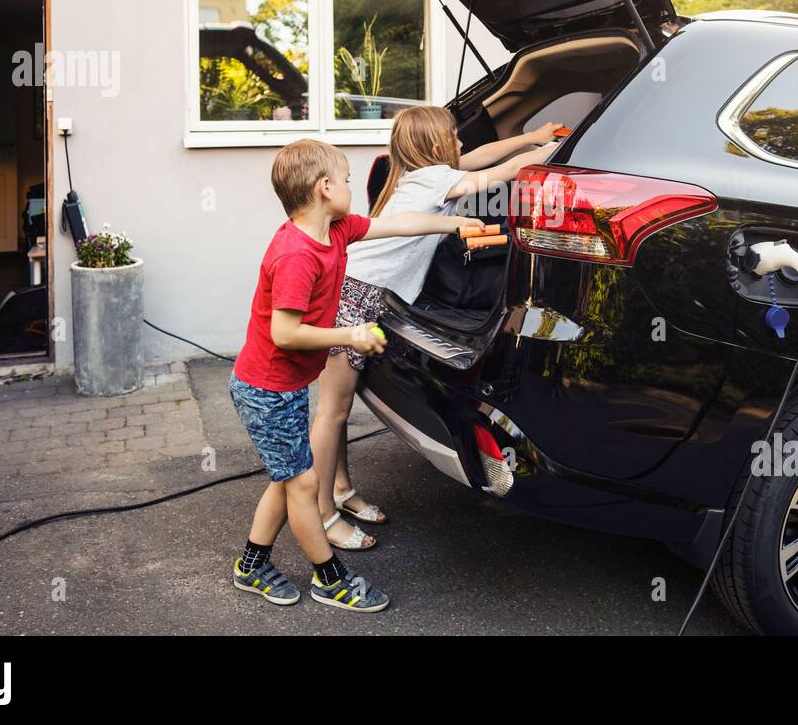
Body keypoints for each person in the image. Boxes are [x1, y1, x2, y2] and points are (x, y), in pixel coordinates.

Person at [228, 137, 483, 610]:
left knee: (288, 480)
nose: (352, 186)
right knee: (302, 485)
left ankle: (251, 565)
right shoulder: (297, 255)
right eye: (346, 180)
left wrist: (455, 223)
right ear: (325, 188)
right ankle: (330, 579)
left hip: (280, 387)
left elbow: (399, 224)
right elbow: (285, 333)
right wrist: (350, 335)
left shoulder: (338, 230)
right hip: (264, 389)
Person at [312, 106, 559, 549]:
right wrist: (542, 154)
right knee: (331, 412)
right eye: (454, 137)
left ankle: (341, 490)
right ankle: (323, 516)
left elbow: (481, 156)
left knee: (339, 409)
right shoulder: (431, 179)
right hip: (353, 297)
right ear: (435, 146)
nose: (462, 144)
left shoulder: (417, 172)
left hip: (358, 293)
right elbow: (492, 173)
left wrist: (529, 136)